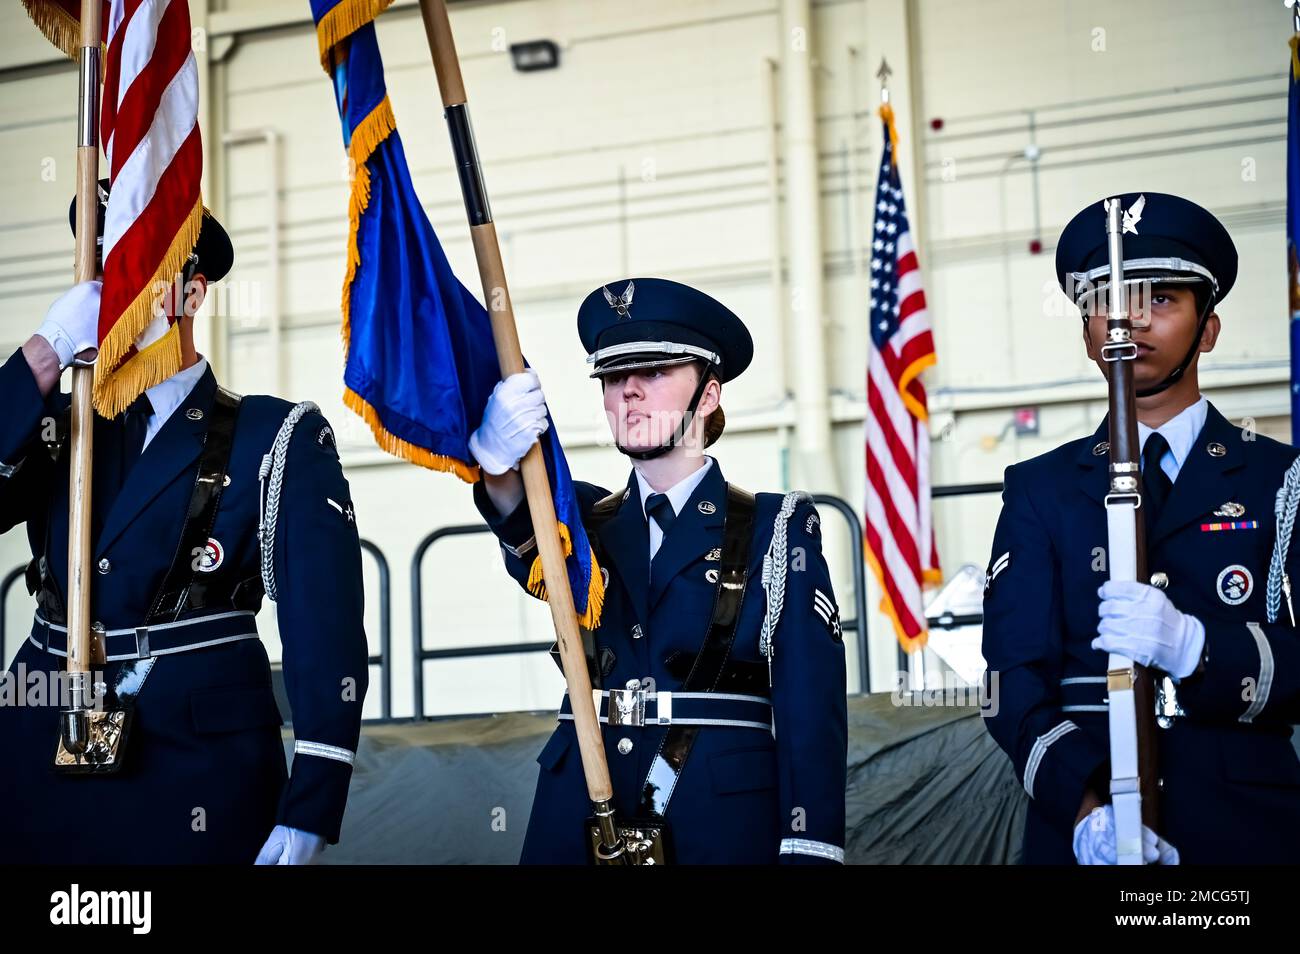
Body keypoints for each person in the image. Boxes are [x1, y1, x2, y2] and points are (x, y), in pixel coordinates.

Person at [0, 183, 369, 864]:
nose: (115, 297)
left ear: (191, 295)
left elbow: (327, 631)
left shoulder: (276, 434)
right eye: (104, 275)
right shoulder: (52, 418)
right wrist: (44, 353)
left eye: (139, 272)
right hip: (36, 752)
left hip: (194, 772)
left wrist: (313, 799)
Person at [470, 277, 848, 864]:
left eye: (654, 374)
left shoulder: (776, 527)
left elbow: (810, 713)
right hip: (579, 815)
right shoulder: (583, 522)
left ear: (710, 393)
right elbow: (528, 533)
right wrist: (495, 467)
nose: (630, 394)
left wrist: (811, 848)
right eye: (616, 378)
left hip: (715, 820)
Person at [982, 191, 1300, 864]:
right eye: (1106, 300)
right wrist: (1085, 809)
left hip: (1243, 831)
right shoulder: (1041, 490)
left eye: (1161, 300)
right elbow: (1011, 683)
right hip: (1088, 833)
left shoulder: (1281, 480)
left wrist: (1198, 650)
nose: (1128, 319)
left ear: (1208, 329)